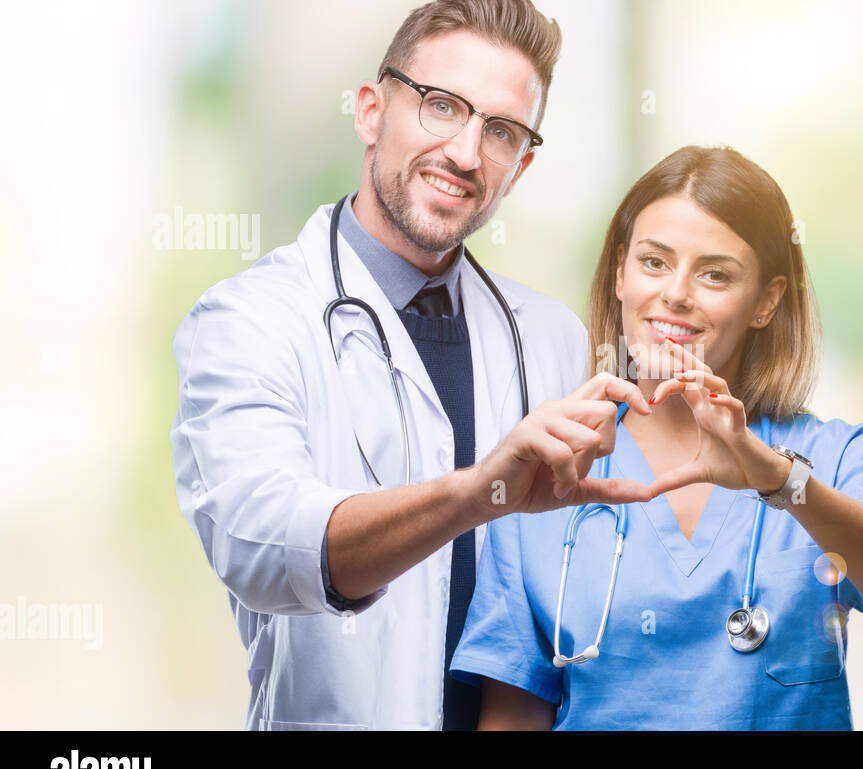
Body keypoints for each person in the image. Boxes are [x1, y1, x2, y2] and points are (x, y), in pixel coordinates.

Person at [168, 0, 653, 731]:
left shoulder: (549, 337)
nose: (464, 153)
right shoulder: (250, 321)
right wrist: (477, 492)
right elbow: (262, 546)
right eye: (441, 106)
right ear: (371, 110)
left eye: (499, 131)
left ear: (520, 166)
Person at [449, 145, 863, 730]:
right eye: (654, 263)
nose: (677, 293)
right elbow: (513, 717)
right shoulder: (547, 470)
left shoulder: (839, 456)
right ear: (619, 277)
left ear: (766, 302)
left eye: (715, 274)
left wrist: (779, 478)